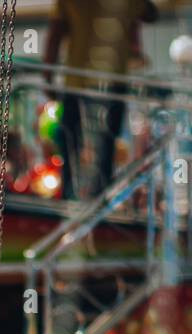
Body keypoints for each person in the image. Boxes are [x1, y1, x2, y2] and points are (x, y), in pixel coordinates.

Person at [45, 0, 158, 201]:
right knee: (99, 141)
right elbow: (151, 14)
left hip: (81, 83)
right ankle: (97, 196)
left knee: (74, 139)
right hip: (105, 84)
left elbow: (55, 33)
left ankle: (76, 195)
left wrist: (48, 77)